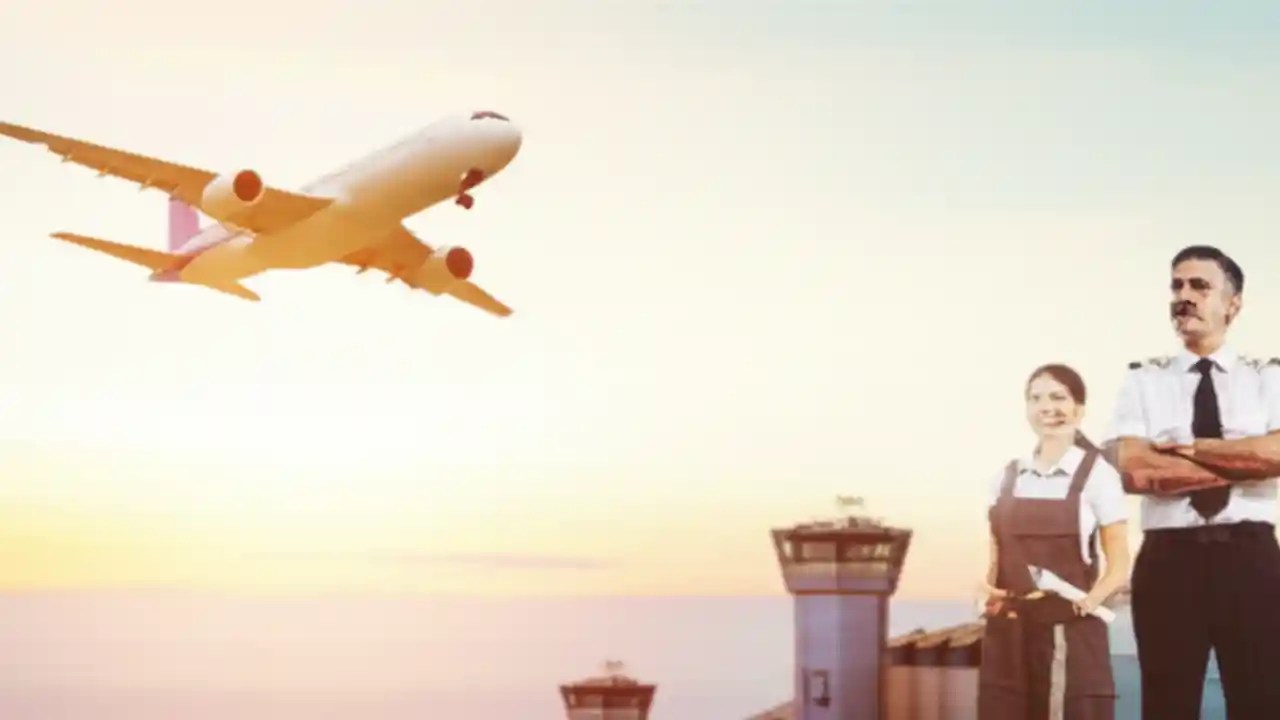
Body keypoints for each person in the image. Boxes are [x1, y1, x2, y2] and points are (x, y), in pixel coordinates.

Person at [1104, 245, 1280, 719]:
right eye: (1177, 286)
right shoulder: (1143, 381)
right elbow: (1131, 469)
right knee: (1167, 707)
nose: (1185, 296)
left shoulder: (1267, 378)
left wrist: (1186, 449)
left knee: (1261, 702)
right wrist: (1246, 458)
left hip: (1251, 561)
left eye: (1200, 286)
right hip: (1168, 563)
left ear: (1233, 303)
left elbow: (1278, 454)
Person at [978, 363, 1131, 720]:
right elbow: (995, 558)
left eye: (1059, 398)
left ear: (1079, 409)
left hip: (1068, 632)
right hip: (1010, 634)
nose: (1048, 408)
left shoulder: (1098, 475)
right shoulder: (1005, 477)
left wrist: (1090, 602)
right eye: (1037, 399)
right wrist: (988, 593)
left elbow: (1119, 563)